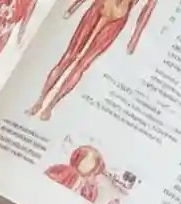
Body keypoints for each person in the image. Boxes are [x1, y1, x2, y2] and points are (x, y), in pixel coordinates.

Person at [27, 0, 156, 120]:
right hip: (107, 8)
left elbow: (148, 8)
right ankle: (42, 102)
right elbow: (148, 9)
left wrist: (135, 37)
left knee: (78, 62)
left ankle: (49, 105)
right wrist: (73, 7)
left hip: (115, 15)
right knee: (71, 58)